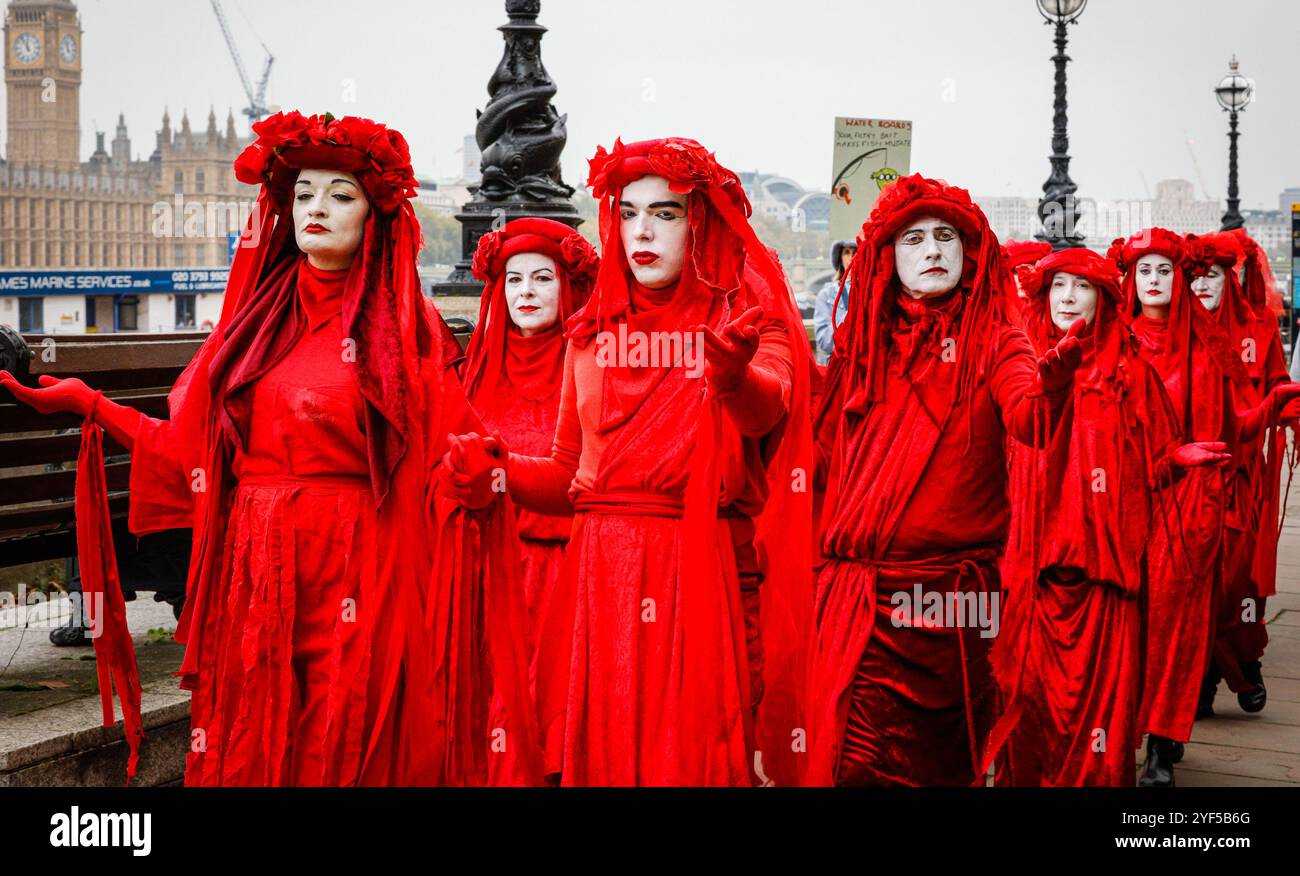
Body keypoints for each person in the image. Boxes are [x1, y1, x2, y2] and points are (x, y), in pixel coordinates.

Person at [1, 111, 539, 786]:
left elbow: (447, 450)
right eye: (304, 192)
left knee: (341, 735)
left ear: (374, 216)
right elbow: (192, 454)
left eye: (341, 195)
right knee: (259, 734)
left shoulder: (403, 327)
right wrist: (91, 405)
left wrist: (473, 474)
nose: (317, 207)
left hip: (355, 565)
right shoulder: (257, 322)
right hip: (257, 567)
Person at [445, 137, 815, 786]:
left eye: (666, 214)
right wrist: (499, 473)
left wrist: (731, 377)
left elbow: (770, 411)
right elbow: (568, 477)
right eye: (629, 212)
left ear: (700, 223)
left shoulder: (752, 320)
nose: (642, 229)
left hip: (701, 570)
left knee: (694, 757)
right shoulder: (589, 334)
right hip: (600, 580)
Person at [807, 174, 1082, 787]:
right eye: (913, 239)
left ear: (968, 253)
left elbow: (1030, 419)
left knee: (941, 768)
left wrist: (1054, 384)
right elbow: (822, 450)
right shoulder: (864, 344)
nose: (931, 250)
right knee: (852, 770)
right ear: (889, 258)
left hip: (952, 605)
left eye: (945, 237)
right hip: (862, 603)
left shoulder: (997, 339)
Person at [997, 248, 1228, 786]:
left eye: (1082, 286)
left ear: (1104, 298)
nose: (1069, 297)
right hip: (1029, 576)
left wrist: (1175, 458)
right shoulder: (1019, 365)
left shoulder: (1133, 374)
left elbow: (1147, 462)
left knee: (1097, 717)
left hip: (1102, 580)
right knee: (1027, 709)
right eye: (1058, 286)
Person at [1110, 228, 1296, 786]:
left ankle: (1161, 747)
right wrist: (1170, 454)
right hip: (1123, 502)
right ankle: (1125, 734)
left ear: (1180, 277)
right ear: (1131, 280)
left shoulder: (1211, 344)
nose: (1153, 281)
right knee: (1128, 627)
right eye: (1144, 271)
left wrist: (1272, 406)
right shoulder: (1114, 341)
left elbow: (1234, 426)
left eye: (1164, 271)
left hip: (1192, 509)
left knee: (1176, 625)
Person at [461, 217, 598, 686]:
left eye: (543, 279)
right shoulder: (473, 369)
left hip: (568, 572)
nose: (526, 292)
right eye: (514, 280)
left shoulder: (593, 363)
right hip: (484, 567)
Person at [1185, 231, 1297, 718]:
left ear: (1230, 278)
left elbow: (1277, 384)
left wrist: (1288, 411)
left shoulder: (1259, 328)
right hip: (1184, 480)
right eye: (1195, 277)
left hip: (1242, 478)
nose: (1203, 285)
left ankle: (1240, 662)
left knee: (1235, 582)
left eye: (1213, 275)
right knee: (1189, 585)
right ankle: (1209, 678)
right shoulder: (1170, 330)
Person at [814, 239, 855, 363]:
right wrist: (850, 316)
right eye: (847, 253)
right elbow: (824, 342)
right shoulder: (826, 295)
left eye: (855, 253)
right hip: (839, 366)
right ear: (840, 259)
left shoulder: (873, 292)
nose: (851, 258)